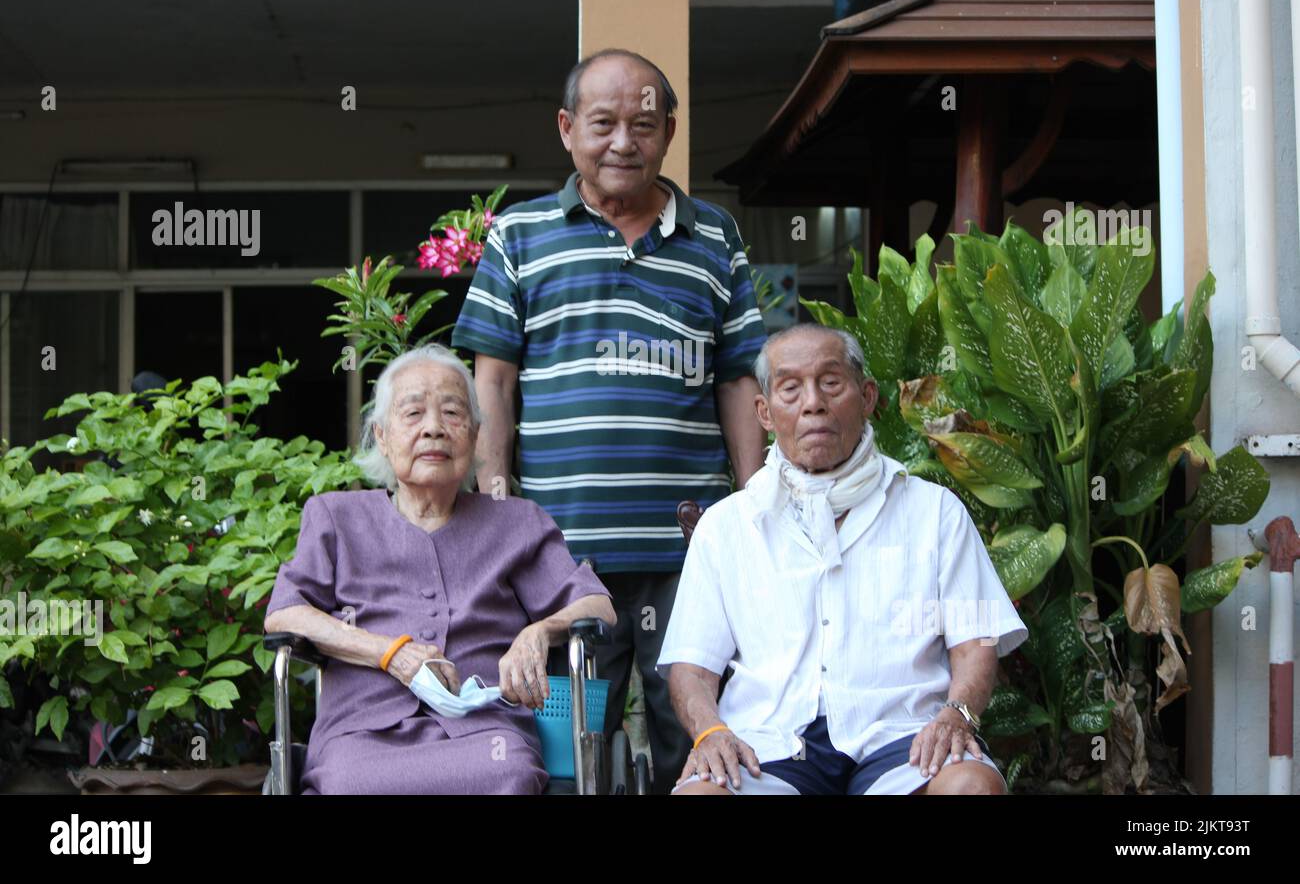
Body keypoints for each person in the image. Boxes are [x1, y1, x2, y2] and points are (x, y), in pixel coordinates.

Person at [451, 48, 770, 794]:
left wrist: (757, 504)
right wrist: (496, 500)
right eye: (603, 124)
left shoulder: (714, 238)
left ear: (668, 132)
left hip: (687, 552)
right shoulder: (520, 236)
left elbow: (737, 377)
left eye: (643, 124)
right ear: (567, 130)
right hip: (561, 552)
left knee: (690, 740)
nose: (623, 141)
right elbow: (492, 379)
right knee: (567, 758)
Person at [659, 323, 1029, 795]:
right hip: (767, 743)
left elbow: (974, 642)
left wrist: (957, 714)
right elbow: (692, 668)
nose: (813, 402)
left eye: (831, 383)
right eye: (790, 388)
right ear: (765, 413)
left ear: (868, 396)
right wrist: (710, 732)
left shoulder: (934, 511)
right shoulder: (727, 525)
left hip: (905, 738)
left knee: (970, 789)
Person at [263, 344, 615, 794]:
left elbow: (598, 606)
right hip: (361, 732)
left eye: (452, 413)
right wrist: (389, 653)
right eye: (413, 414)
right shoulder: (337, 518)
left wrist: (539, 632)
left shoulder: (516, 522)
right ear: (382, 436)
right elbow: (285, 614)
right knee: (349, 782)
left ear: (474, 434)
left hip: (484, 732)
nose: (434, 429)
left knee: (506, 774)